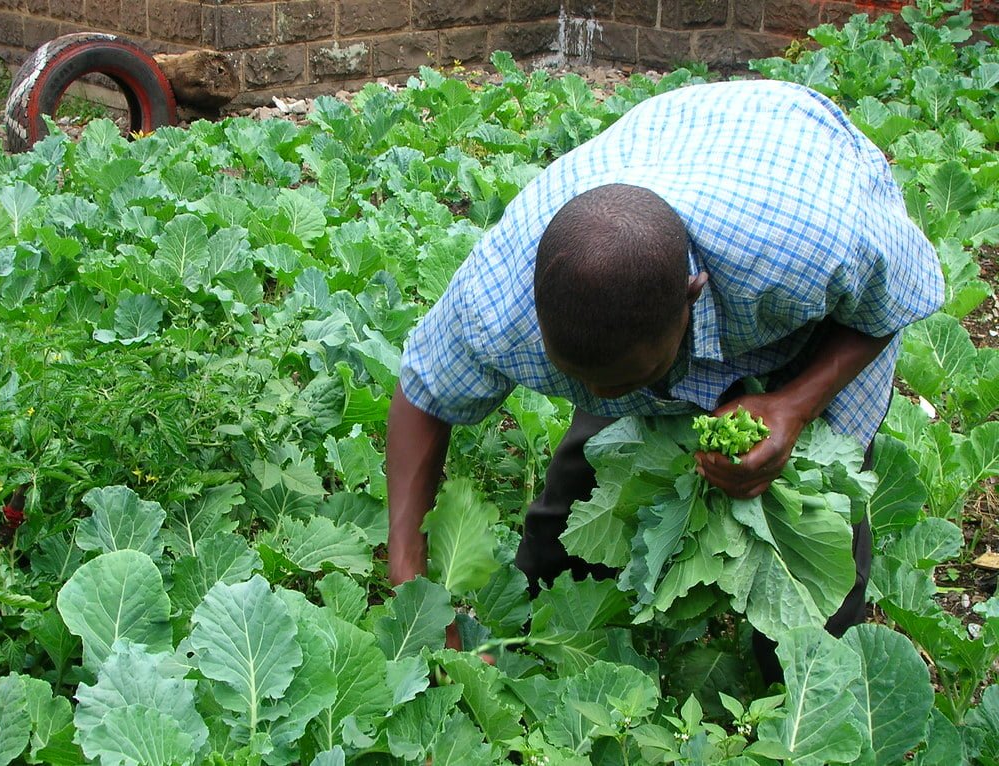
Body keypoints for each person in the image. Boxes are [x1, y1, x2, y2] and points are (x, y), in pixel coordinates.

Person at [385, 79, 944, 673]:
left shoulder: (814, 251)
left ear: (690, 299)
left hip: (795, 167)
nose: (602, 397)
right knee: (570, 522)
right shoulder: (496, 300)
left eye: (630, 380)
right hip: (667, 164)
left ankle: (808, 674)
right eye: (580, 380)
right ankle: (531, 648)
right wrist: (409, 582)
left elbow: (898, 294)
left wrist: (794, 406)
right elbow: (423, 393)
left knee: (813, 532)